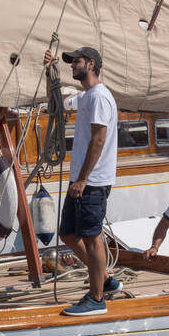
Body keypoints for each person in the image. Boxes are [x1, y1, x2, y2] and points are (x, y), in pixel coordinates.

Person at [43, 45, 121, 316]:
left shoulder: (99, 97)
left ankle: (97, 298)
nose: (72, 66)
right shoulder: (87, 96)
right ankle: (106, 279)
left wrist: (83, 179)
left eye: (75, 62)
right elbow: (58, 101)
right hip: (82, 179)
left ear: (91, 64)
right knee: (68, 233)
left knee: (91, 237)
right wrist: (49, 71)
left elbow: (99, 140)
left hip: (93, 181)